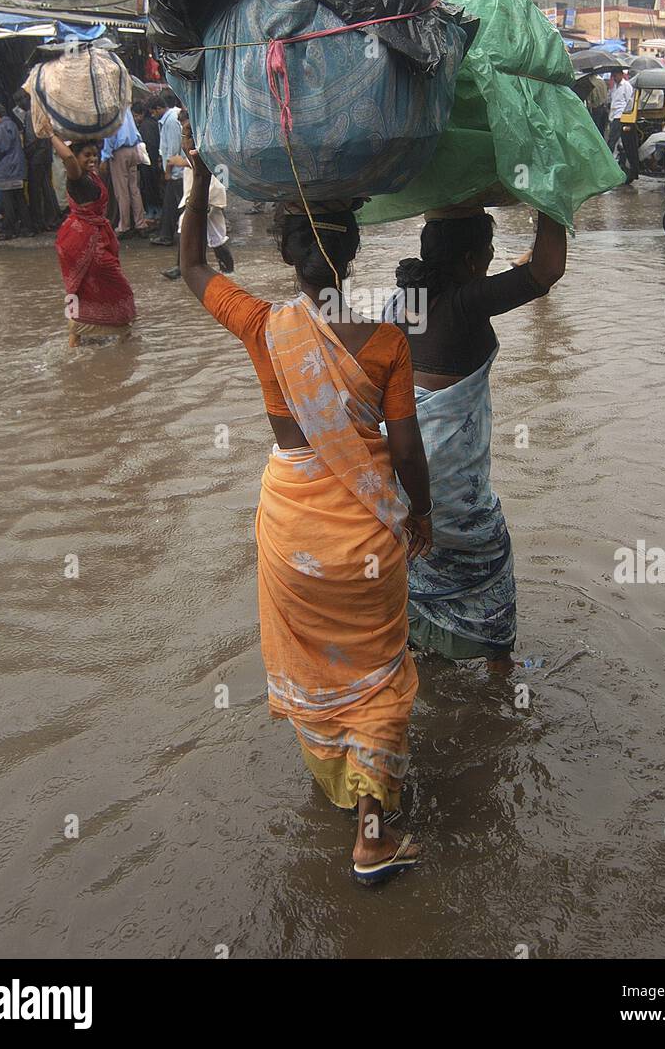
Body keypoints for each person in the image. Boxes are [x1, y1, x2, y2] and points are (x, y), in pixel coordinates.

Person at [180, 127, 432, 884]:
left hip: (291, 534)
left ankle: (337, 782)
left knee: (322, 669)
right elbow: (409, 452)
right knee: (381, 674)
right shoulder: (386, 339)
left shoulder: (264, 328)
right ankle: (374, 831)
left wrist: (197, 175)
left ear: (288, 256)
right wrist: (420, 518)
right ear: (352, 255)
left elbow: (190, 264)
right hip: (367, 540)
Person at [388, 207, 566, 663]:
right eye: (487, 252)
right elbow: (545, 271)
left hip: (401, 487)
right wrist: (548, 197)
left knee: (415, 567)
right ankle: (499, 678)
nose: (491, 260)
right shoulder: (466, 302)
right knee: (488, 566)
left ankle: (422, 662)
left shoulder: (400, 302)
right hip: (450, 498)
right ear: (471, 262)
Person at [50, 134, 136, 348]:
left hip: (90, 237)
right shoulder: (76, 177)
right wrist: (50, 134)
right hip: (82, 242)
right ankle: (118, 333)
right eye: (87, 155)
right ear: (76, 158)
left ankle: (80, 337)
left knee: (84, 288)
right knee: (116, 286)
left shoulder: (92, 176)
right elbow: (68, 159)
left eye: (95, 155)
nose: (93, 159)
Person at [161, 152, 234, 280]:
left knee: (211, 235)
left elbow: (204, 161)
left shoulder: (209, 146)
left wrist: (182, 162)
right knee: (211, 234)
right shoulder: (215, 145)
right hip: (205, 194)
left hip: (209, 195)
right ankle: (227, 271)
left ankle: (227, 270)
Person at [14, 89, 61, 233]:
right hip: (45, 154)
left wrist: (25, 153)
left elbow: (31, 139)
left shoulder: (30, 114)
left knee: (35, 190)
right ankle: (53, 219)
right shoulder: (42, 111)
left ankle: (39, 220)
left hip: (36, 157)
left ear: (23, 100)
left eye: (18, 102)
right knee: (47, 188)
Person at [100, 105, 151, 237]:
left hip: (120, 151)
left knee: (122, 191)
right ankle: (140, 223)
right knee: (134, 189)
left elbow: (109, 135)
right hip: (133, 148)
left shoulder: (110, 110)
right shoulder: (125, 107)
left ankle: (124, 226)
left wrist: (105, 156)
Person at [0, 102, 31, 240]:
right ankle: (28, 229)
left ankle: (8, 231)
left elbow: (0, 148)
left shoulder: (1, 129)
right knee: (20, 200)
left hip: (6, 170)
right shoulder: (12, 125)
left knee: (8, 202)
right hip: (17, 169)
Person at [150, 94, 185, 247]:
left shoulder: (171, 121)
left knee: (176, 204)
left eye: (153, 112)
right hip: (180, 170)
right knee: (173, 204)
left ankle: (167, 236)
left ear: (158, 108)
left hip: (177, 171)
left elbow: (173, 149)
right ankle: (167, 234)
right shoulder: (174, 116)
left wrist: (168, 171)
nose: (153, 116)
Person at [134, 99, 162, 216]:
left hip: (149, 163)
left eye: (136, 115)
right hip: (153, 161)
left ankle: (154, 211)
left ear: (141, 114)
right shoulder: (151, 123)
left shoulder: (146, 126)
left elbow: (150, 145)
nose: (135, 118)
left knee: (151, 187)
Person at [606, 68, 634, 162]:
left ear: (621, 75)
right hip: (613, 115)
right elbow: (611, 99)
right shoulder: (614, 86)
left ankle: (609, 157)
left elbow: (629, 101)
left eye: (616, 76)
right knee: (615, 138)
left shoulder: (626, 86)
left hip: (620, 115)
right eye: (613, 76)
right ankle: (615, 157)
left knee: (613, 138)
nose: (614, 78)